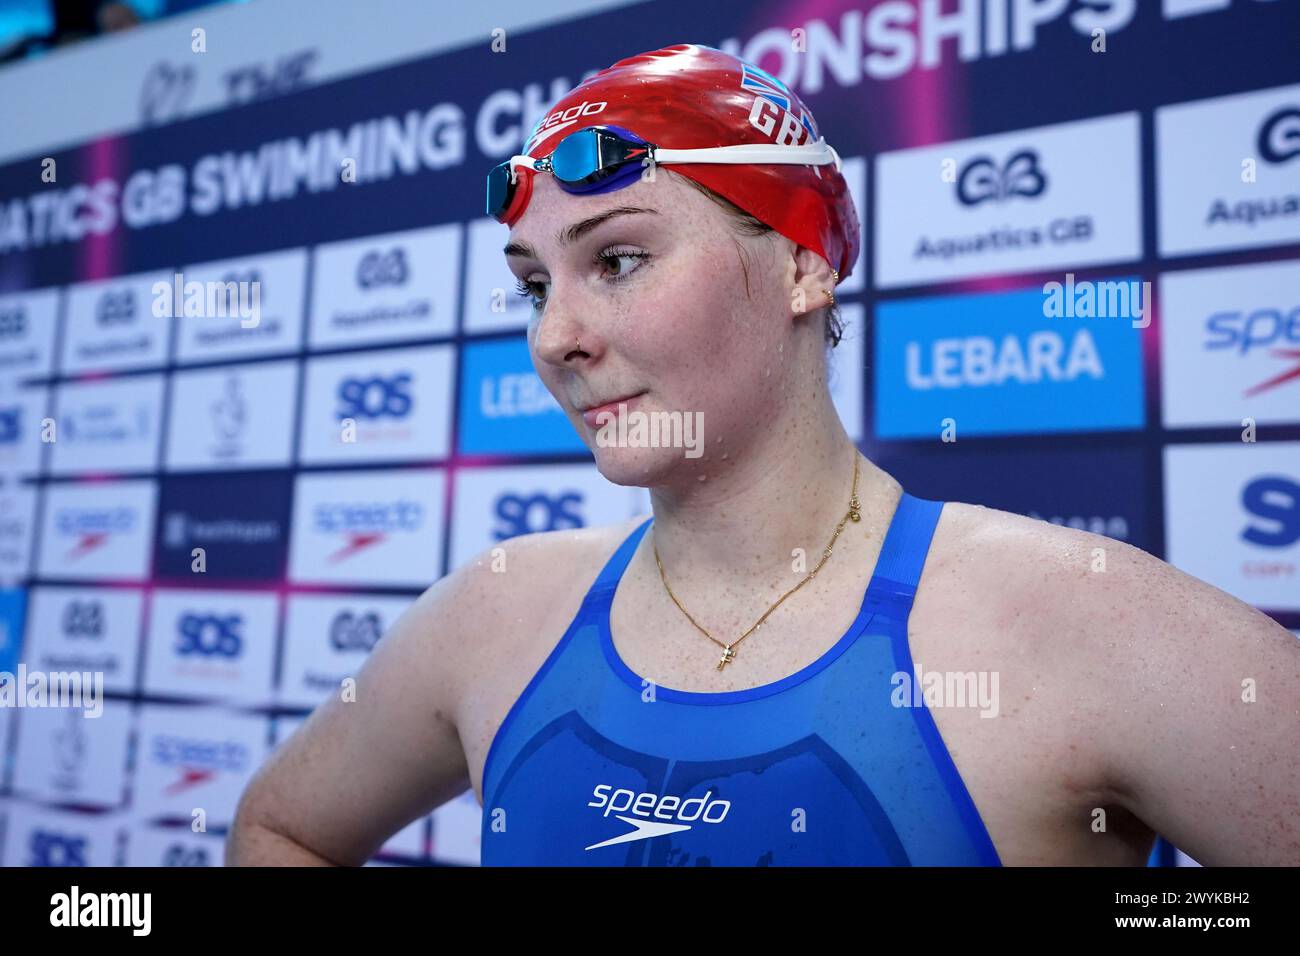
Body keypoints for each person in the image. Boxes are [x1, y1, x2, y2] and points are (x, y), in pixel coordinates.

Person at [228, 44, 1299, 867]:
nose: (554, 336)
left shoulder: (1078, 624)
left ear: (800, 268)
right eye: (534, 284)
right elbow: (280, 827)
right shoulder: (494, 616)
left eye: (620, 258)